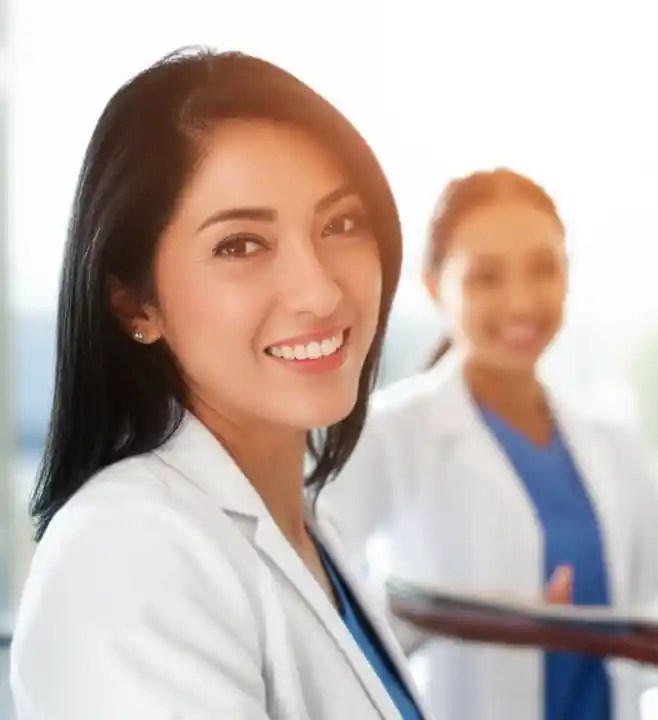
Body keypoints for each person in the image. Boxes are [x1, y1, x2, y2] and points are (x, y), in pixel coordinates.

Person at [10, 48, 428, 720]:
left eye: (341, 224)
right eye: (241, 245)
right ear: (135, 304)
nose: (320, 293)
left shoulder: (305, 530)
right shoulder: (127, 552)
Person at [317, 168, 658, 720]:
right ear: (435, 287)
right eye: (487, 278)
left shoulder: (615, 443)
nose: (520, 302)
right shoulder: (387, 434)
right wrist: (470, 620)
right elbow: (321, 620)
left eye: (543, 269)